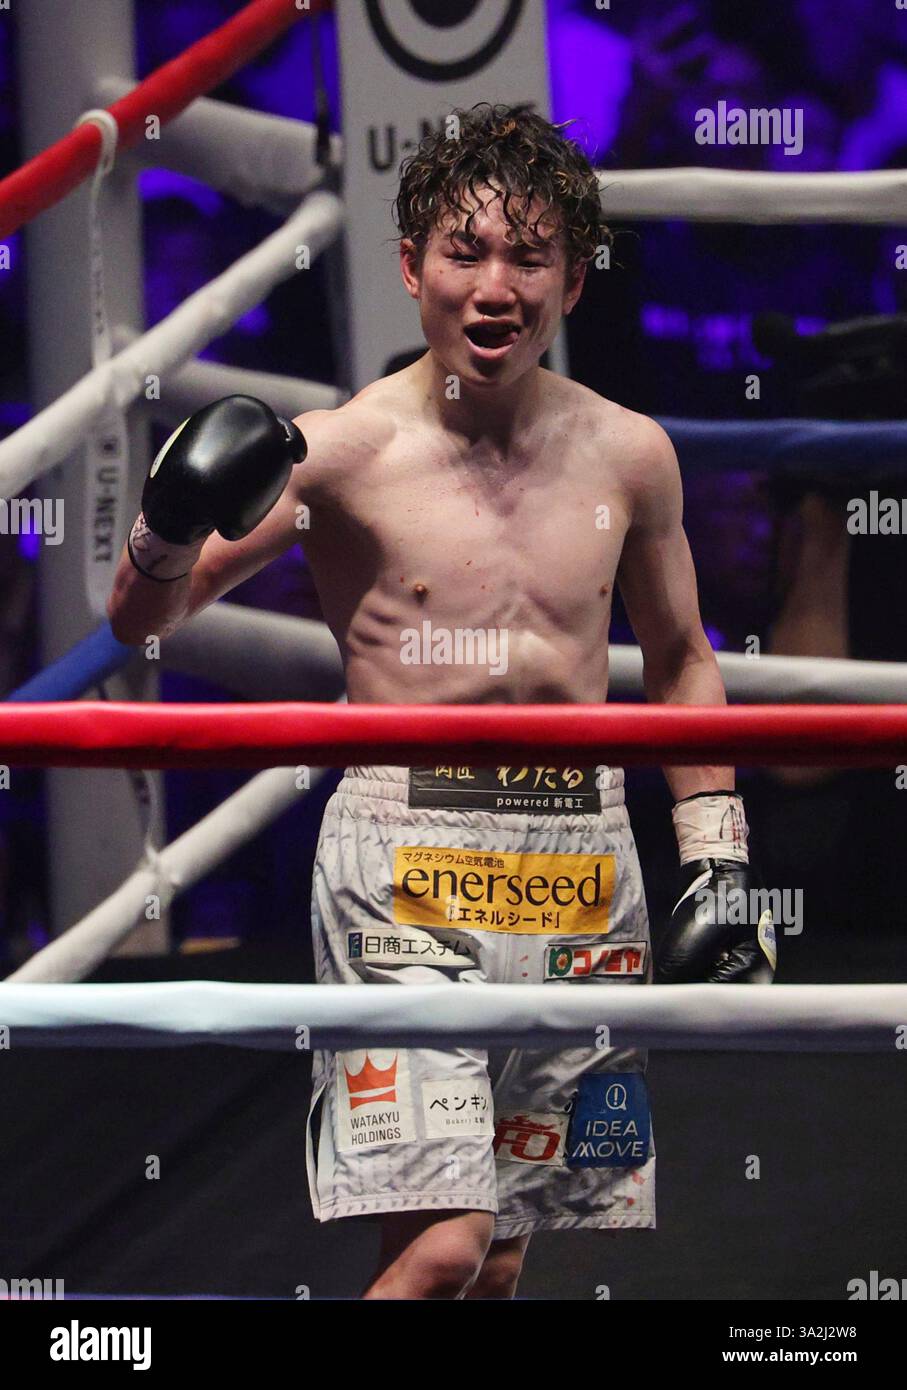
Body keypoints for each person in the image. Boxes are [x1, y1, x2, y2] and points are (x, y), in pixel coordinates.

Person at [107, 104, 775, 1300]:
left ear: (575, 275)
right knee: (443, 1245)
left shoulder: (630, 454)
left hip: (579, 858)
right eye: (466, 252)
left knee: (500, 1255)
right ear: (412, 264)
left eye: (529, 256)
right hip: (403, 857)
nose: (496, 286)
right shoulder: (341, 452)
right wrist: (166, 517)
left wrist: (716, 861)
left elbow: (680, 657)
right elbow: (142, 619)